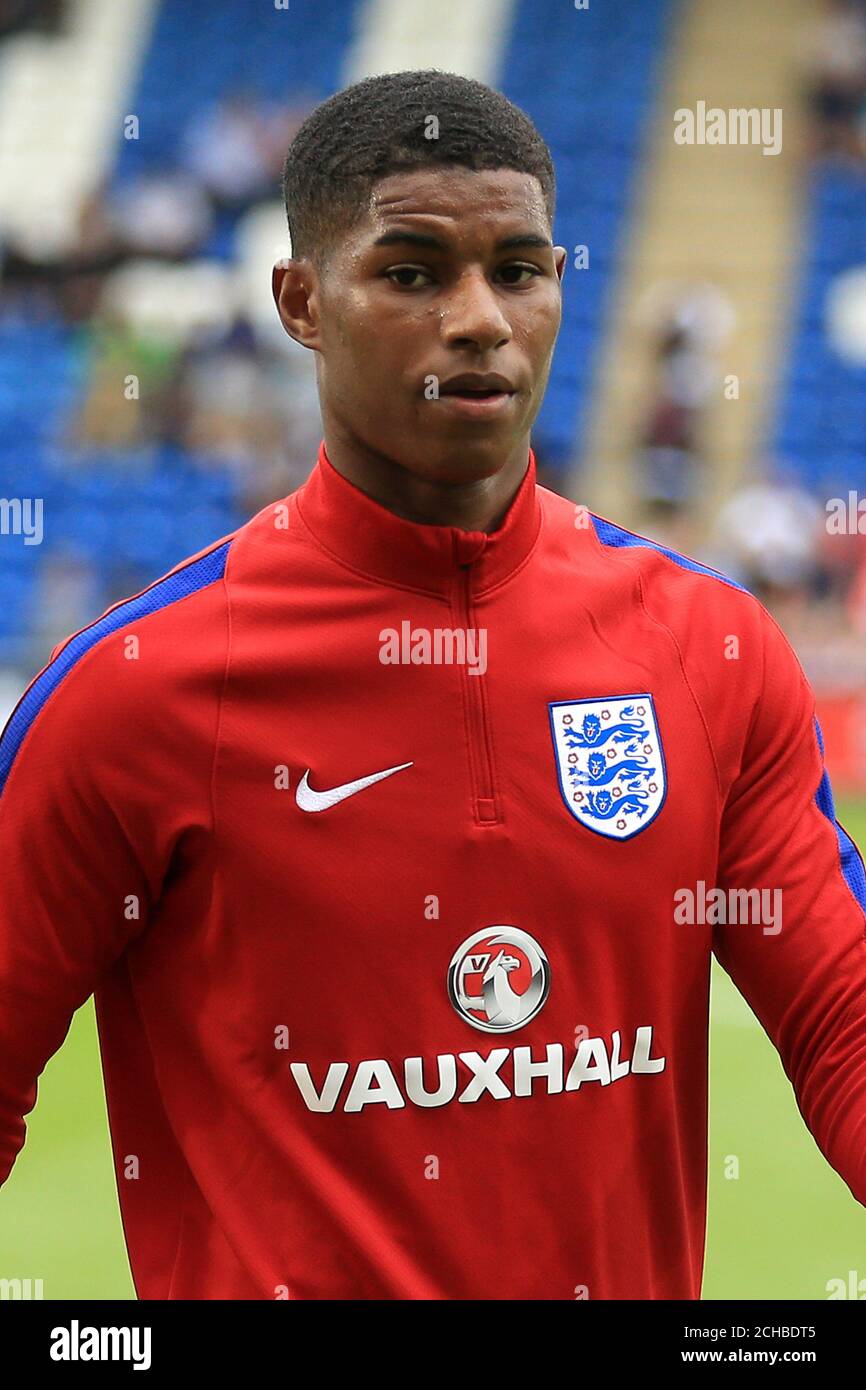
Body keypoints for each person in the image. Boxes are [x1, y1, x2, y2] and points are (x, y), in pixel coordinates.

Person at [1, 70, 864, 1302]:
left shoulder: (704, 646)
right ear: (301, 301)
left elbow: (845, 1017)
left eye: (518, 269)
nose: (479, 318)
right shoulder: (133, 695)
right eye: (411, 272)